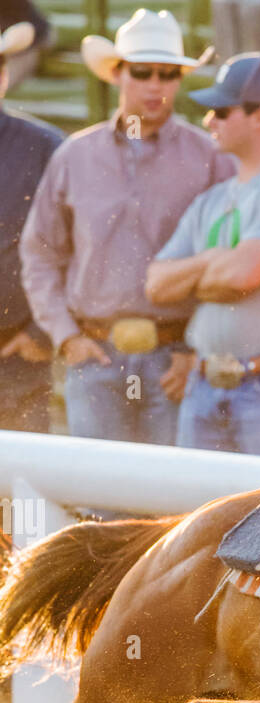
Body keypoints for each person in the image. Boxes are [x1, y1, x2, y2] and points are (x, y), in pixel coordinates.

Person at [19, 8, 234, 445]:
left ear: (179, 79)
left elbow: (228, 261)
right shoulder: (74, 157)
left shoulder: (210, 159)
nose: (156, 84)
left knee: (174, 503)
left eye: (168, 73)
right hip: (94, 356)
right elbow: (40, 253)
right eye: (143, 72)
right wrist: (67, 338)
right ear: (118, 74)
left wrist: (196, 351)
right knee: (99, 500)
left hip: (176, 358)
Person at [147, 52, 260, 460]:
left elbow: (243, 275)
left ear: (259, 117)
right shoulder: (214, 197)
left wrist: (197, 273)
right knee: (193, 515)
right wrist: (215, 260)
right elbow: (156, 284)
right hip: (205, 382)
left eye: (221, 111)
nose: (209, 121)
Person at [0, 21, 62, 434]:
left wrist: (41, 331)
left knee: (27, 485)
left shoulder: (46, 147)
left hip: (19, 356)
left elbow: (77, 244)